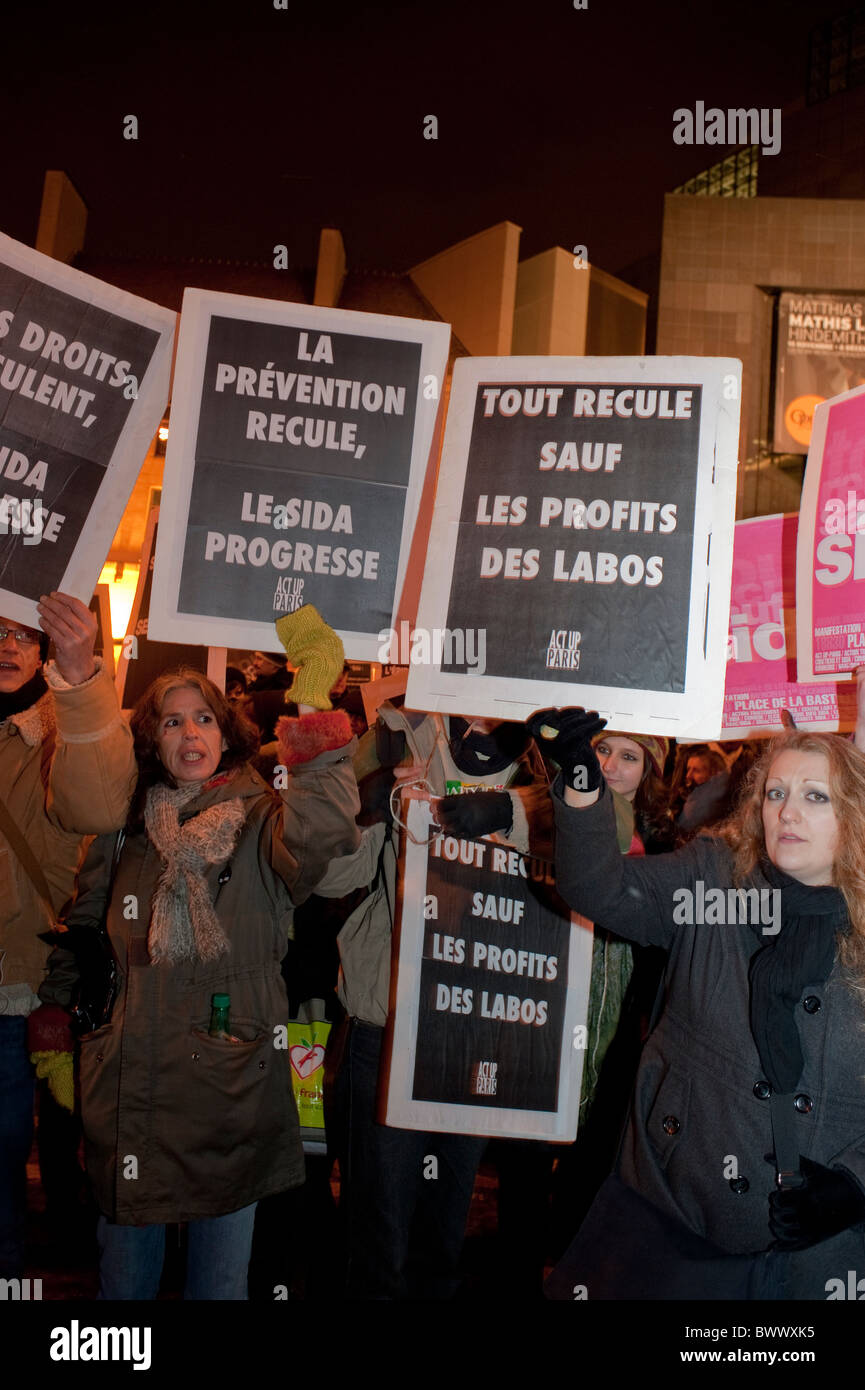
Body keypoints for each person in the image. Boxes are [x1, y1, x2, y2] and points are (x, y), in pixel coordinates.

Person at [42, 606, 360, 1300]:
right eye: (171, 720)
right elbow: (84, 927)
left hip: (230, 1082)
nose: (190, 732)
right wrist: (58, 1032)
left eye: (204, 718)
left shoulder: (262, 821)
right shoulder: (121, 827)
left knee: (218, 1287)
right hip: (131, 1083)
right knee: (123, 1287)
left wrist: (313, 704)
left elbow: (324, 833)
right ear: (151, 739)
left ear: (228, 731)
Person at [531, 707, 865, 1300]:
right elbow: (600, 887)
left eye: (815, 797)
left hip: (820, 1261)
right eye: (776, 792)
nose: (787, 811)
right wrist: (583, 780)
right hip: (677, 1228)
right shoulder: (712, 878)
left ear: (854, 815)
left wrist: (855, 1186)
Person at [0, 593, 136, 1279]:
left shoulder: (65, 726)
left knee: (5, 1180)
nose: (11, 647)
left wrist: (82, 681)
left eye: (28, 634)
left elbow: (102, 807)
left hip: (15, 985)